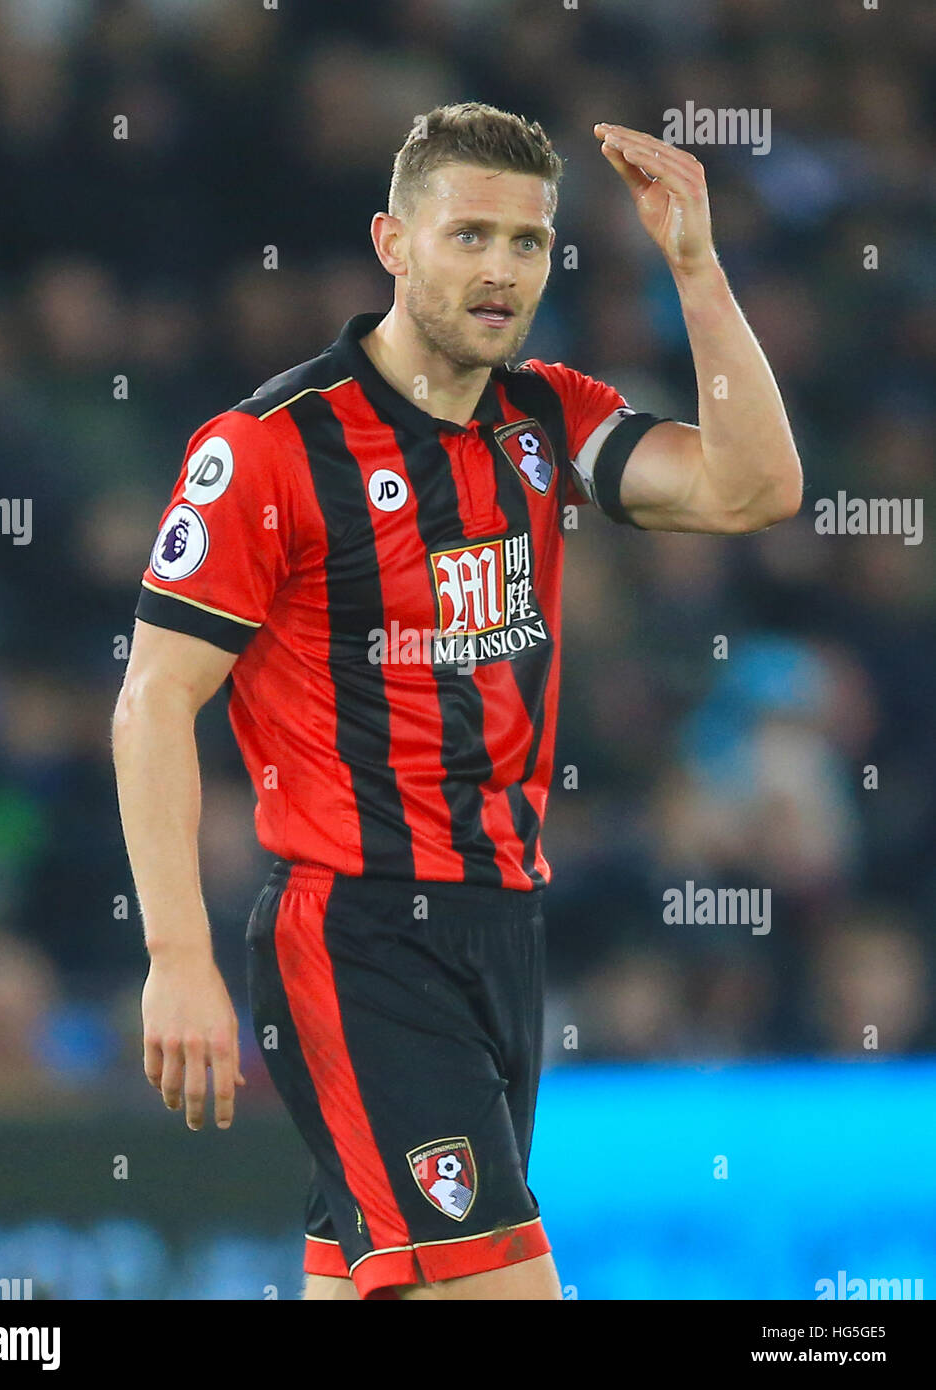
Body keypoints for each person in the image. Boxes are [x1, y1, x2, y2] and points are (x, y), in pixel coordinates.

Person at [111, 102, 801, 1301]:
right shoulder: (271, 448)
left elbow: (754, 487)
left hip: (501, 924)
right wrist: (175, 954)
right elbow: (152, 700)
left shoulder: (545, 416)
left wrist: (692, 262)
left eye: (527, 243)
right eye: (468, 234)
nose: (500, 270)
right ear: (393, 242)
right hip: (357, 931)